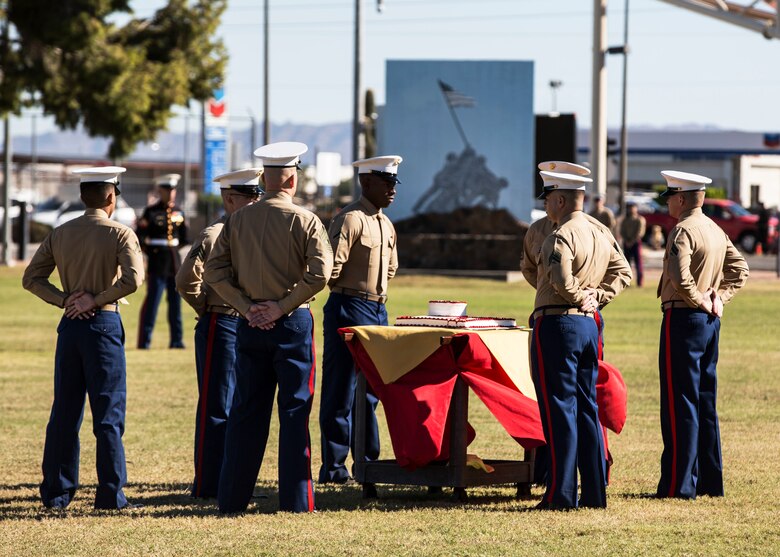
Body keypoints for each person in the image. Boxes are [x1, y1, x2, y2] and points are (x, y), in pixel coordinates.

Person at [204, 142, 333, 514]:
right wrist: (281, 307)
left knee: (245, 413)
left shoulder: (237, 219)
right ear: (292, 179)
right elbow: (320, 273)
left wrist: (247, 308)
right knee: (295, 413)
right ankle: (295, 502)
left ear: (264, 178)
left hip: (249, 325)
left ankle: (232, 499)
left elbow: (213, 272)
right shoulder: (306, 220)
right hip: (292, 323)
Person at [22, 166, 145, 510]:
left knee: (64, 411)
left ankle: (57, 493)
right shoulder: (120, 233)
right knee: (108, 413)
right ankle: (110, 494)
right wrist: (97, 299)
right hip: (104, 325)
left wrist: (66, 299)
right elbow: (134, 280)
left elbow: (32, 278)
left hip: (70, 326)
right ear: (111, 197)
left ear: (81, 196)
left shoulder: (60, 232)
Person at [531, 170, 631, 510]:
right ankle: (594, 493)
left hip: (558, 324)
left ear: (560, 200)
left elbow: (558, 278)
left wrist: (578, 296)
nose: (545, 205)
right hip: (589, 327)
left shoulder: (559, 236)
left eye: (547, 198)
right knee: (587, 409)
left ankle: (560, 495)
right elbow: (624, 272)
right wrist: (597, 296)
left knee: (560, 409)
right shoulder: (600, 230)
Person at [656, 170, 749, 500]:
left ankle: (679, 485)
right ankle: (710, 480)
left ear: (681, 198)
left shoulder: (683, 230)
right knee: (705, 401)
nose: (667, 203)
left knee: (680, 401)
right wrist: (718, 299)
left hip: (684, 319)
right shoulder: (715, 229)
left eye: (670, 196)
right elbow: (740, 270)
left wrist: (699, 299)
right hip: (709, 323)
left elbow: (679, 278)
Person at [175, 168, 263, 498]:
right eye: (248, 197)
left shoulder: (252, 231)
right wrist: (207, 308)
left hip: (248, 323)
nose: (255, 201)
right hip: (222, 322)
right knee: (217, 406)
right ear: (229, 199)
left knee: (241, 405)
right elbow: (186, 280)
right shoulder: (215, 234)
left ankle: (233, 481)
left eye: (258, 195)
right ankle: (209, 483)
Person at [319, 155, 402, 488]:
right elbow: (330, 267)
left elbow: (391, 267)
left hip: (376, 310)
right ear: (367, 182)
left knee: (370, 392)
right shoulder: (350, 219)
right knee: (341, 389)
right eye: (387, 182)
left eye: (395, 183)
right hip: (348, 305)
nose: (393, 189)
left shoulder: (385, 222)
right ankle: (335, 466)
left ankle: (367, 462)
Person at [136, 173, 189, 349]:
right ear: (160, 190)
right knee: (152, 303)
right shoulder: (150, 212)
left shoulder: (179, 212)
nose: (171, 193)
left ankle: (177, 340)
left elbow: (183, 238)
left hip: (174, 262)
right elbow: (141, 238)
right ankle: (145, 341)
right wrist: (150, 254)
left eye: (173, 189)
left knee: (176, 305)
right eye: (167, 189)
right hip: (157, 261)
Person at [619, 201, 647, 286]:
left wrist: (632, 241)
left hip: (636, 243)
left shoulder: (640, 219)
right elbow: (622, 231)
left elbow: (640, 232)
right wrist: (626, 241)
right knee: (627, 264)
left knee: (638, 263)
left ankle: (639, 283)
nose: (631, 209)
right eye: (629, 207)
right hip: (626, 243)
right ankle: (627, 282)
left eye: (632, 207)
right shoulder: (625, 219)